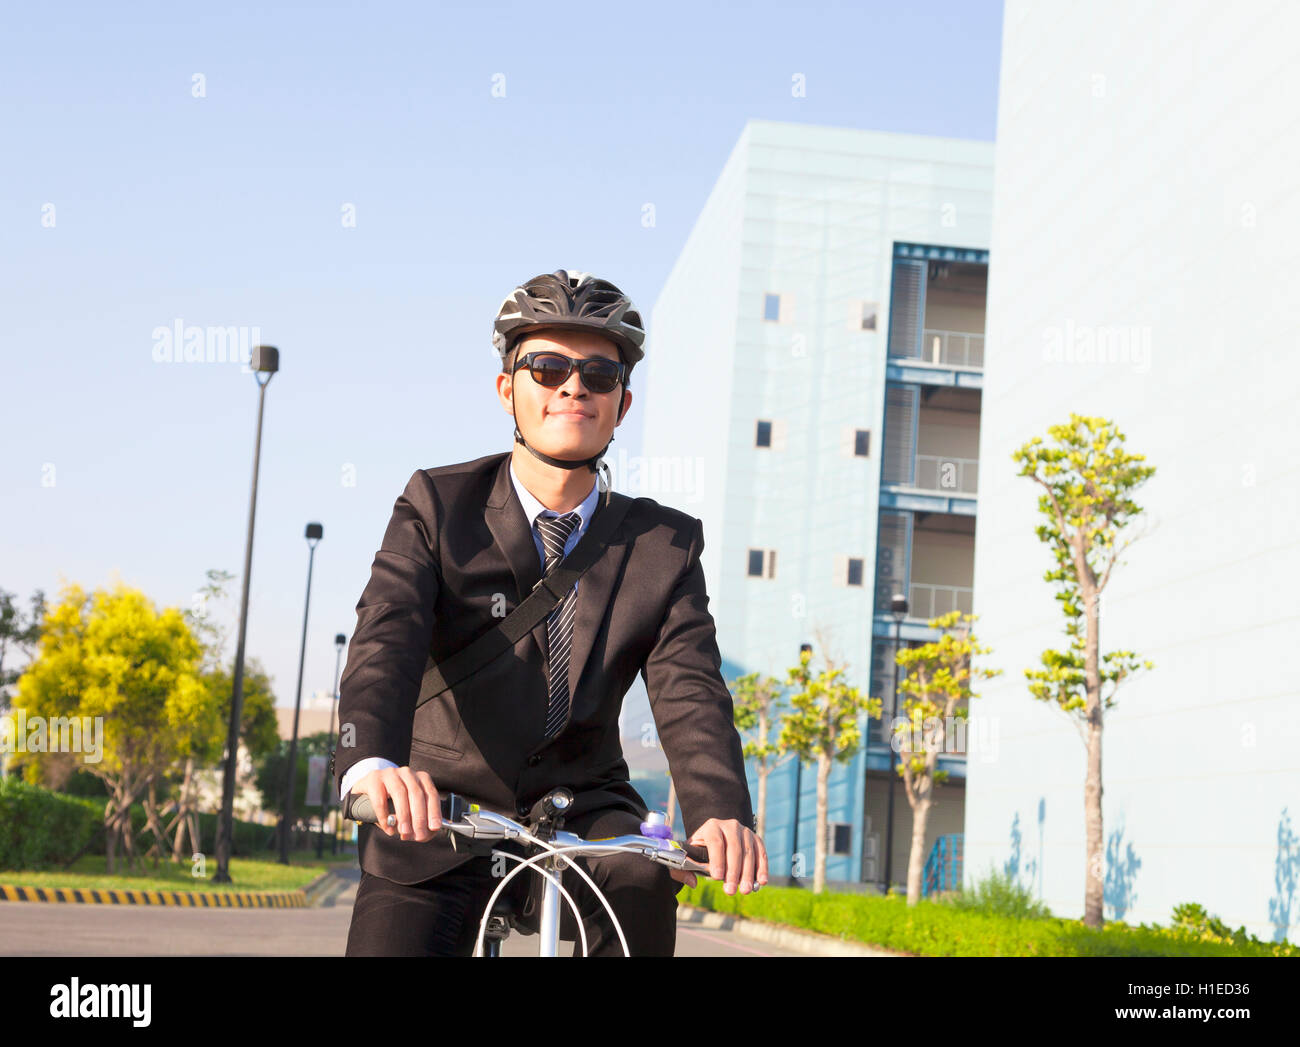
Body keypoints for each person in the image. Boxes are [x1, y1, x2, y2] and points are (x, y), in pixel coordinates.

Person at [336, 269, 767, 956]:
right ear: (509, 388)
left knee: (640, 883)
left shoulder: (664, 545)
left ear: (621, 405)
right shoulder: (437, 505)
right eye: (548, 366)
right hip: (438, 808)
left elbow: (690, 689)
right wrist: (373, 766)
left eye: (598, 373)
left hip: (586, 810)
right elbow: (386, 637)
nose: (573, 386)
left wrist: (720, 813)